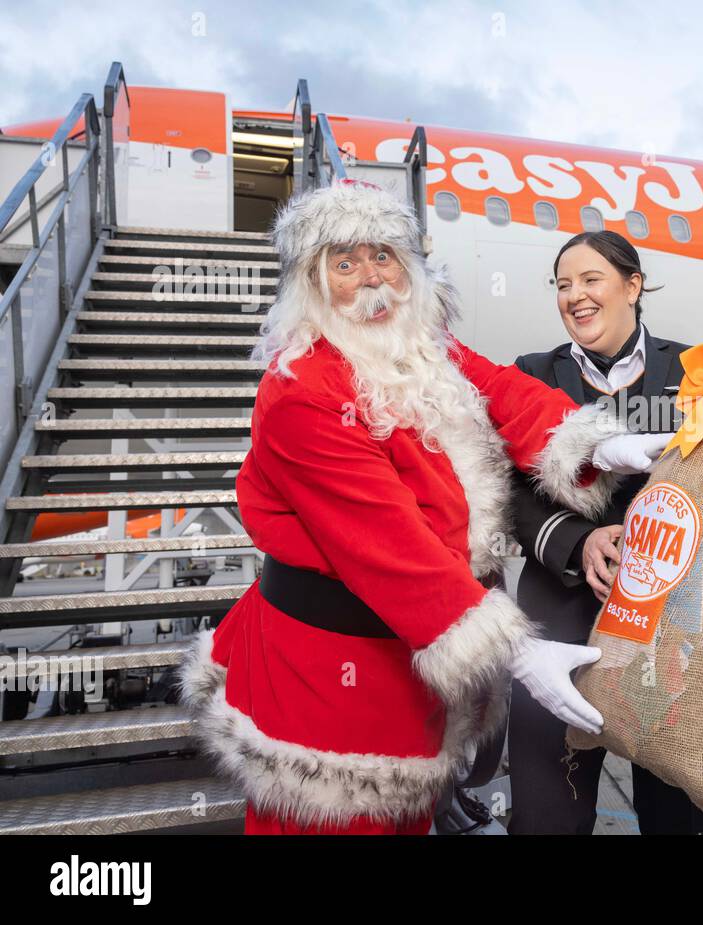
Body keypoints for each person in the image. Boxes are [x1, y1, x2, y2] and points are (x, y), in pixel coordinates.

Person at [175, 179, 664, 835]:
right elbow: (390, 547)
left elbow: (504, 391)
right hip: (327, 676)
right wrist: (515, 653)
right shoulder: (301, 391)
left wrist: (604, 444)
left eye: (384, 256)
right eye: (344, 263)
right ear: (314, 284)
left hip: (409, 670)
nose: (371, 279)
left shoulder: (421, 348)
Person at [507, 230, 703, 835]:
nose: (575, 296)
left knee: (674, 813)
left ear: (633, 285)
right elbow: (512, 492)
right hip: (561, 610)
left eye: (590, 280)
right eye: (563, 285)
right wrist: (579, 540)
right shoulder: (533, 376)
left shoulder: (695, 371)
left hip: (669, 620)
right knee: (548, 814)